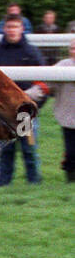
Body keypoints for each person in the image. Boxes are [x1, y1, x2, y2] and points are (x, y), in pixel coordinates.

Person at [0, 14, 43, 185]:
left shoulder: (32, 52)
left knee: (29, 150)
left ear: (21, 28)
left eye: (15, 27)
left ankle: (34, 184)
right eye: (9, 27)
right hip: (4, 113)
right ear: (4, 29)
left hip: (26, 113)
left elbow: (42, 83)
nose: (12, 31)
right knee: (6, 151)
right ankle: (3, 185)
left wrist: (33, 105)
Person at [52, 38, 75, 182]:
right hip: (68, 119)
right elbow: (46, 83)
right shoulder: (62, 65)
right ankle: (71, 180)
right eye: (73, 48)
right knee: (72, 153)